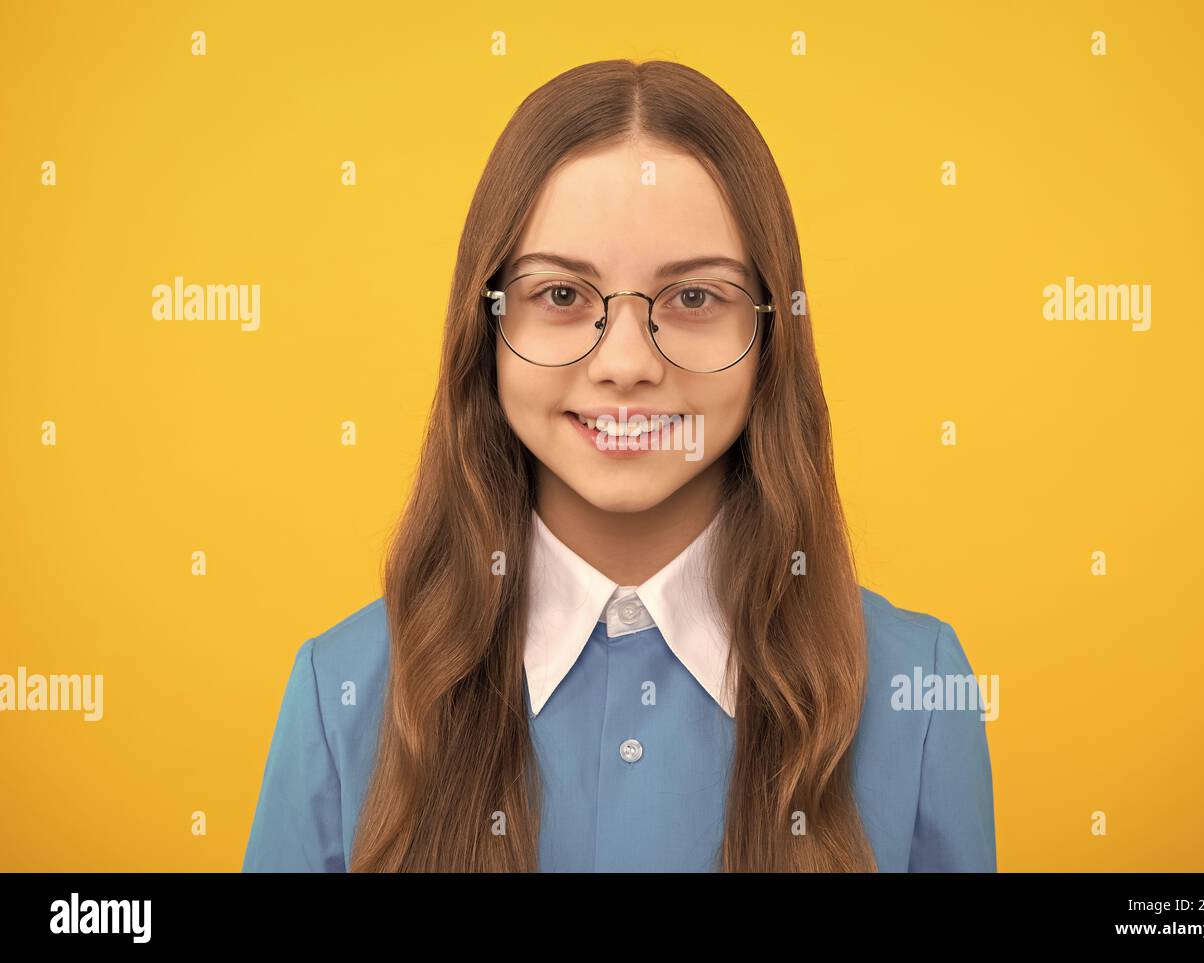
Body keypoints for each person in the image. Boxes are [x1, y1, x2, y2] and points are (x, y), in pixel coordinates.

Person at [242, 58, 995, 872]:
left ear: (771, 332)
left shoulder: (917, 689)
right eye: (562, 296)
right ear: (484, 327)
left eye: (695, 298)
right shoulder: (338, 692)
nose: (627, 362)